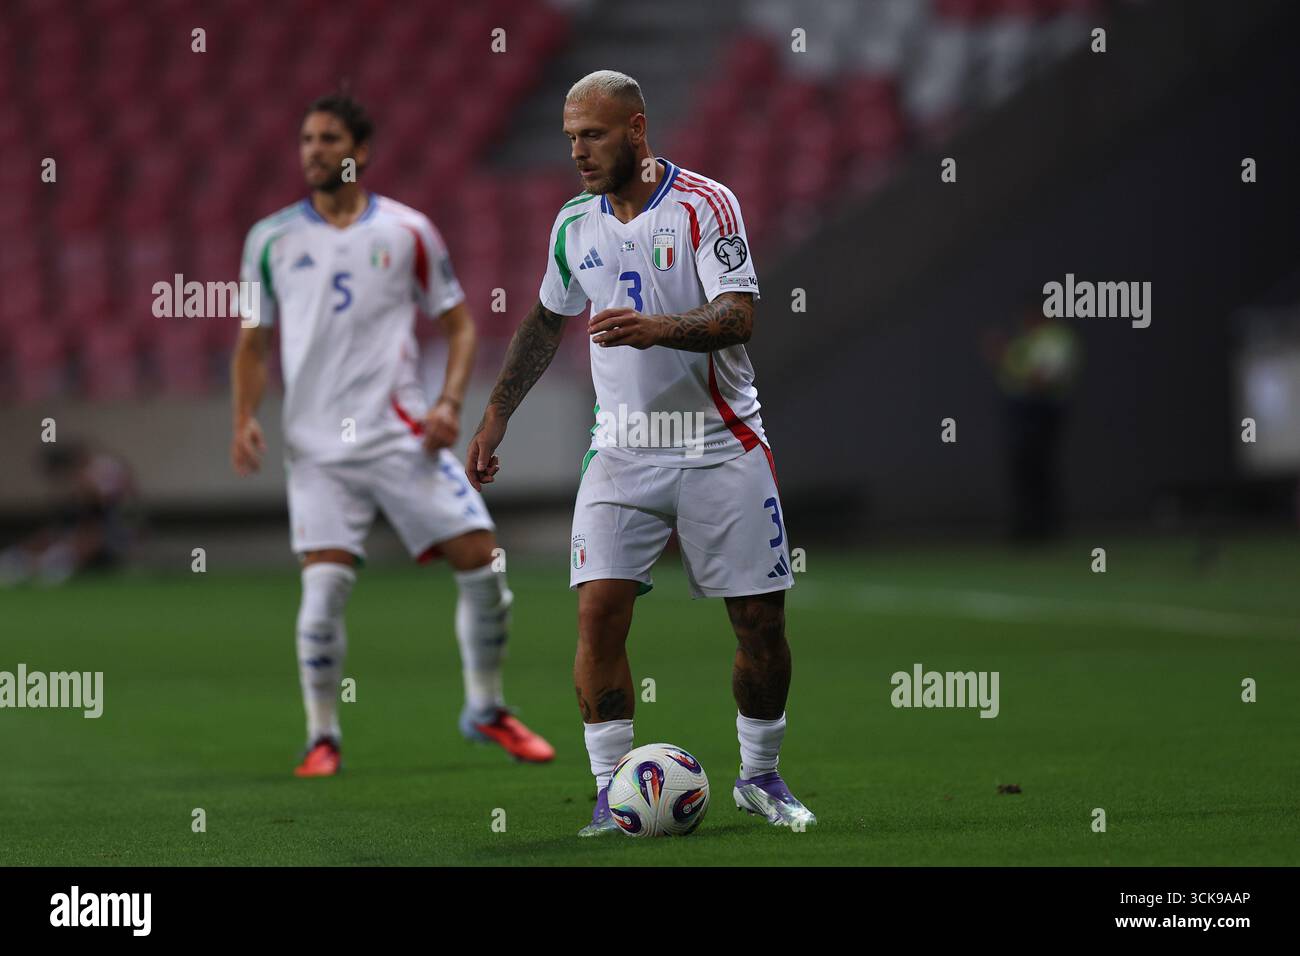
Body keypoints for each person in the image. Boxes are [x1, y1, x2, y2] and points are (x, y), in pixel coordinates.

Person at [466, 71, 814, 834]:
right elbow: (543, 321)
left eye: (591, 134)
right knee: (599, 615)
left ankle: (761, 775)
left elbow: (740, 315)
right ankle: (605, 788)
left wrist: (659, 328)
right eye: (569, 139)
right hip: (622, 451)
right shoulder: (573, 224)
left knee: (759, 622)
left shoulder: (704, 205)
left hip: (722, 442)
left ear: (635, 128)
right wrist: (495, 415)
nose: (578, 152)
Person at [230, 93, 554, 777]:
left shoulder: (408, 232)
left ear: (360, 151)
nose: (313, 150)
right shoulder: (270, 240)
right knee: (322, 594)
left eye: (327, 138)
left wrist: (447, 402)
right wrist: (243, 419)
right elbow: (253, 344)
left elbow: (460, 325)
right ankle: (323, 736)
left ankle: (486, 708)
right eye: (306, 139)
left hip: (403, 437)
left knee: (484, 561)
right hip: (317, 449)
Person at [0, 441, 136, 586]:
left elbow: (104, 508)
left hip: (113, 526)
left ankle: (52, 564)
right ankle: (18, 561)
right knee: (50, 536)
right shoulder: (82, 490)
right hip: (91, 521)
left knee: (88, 537)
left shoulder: (103, 470)